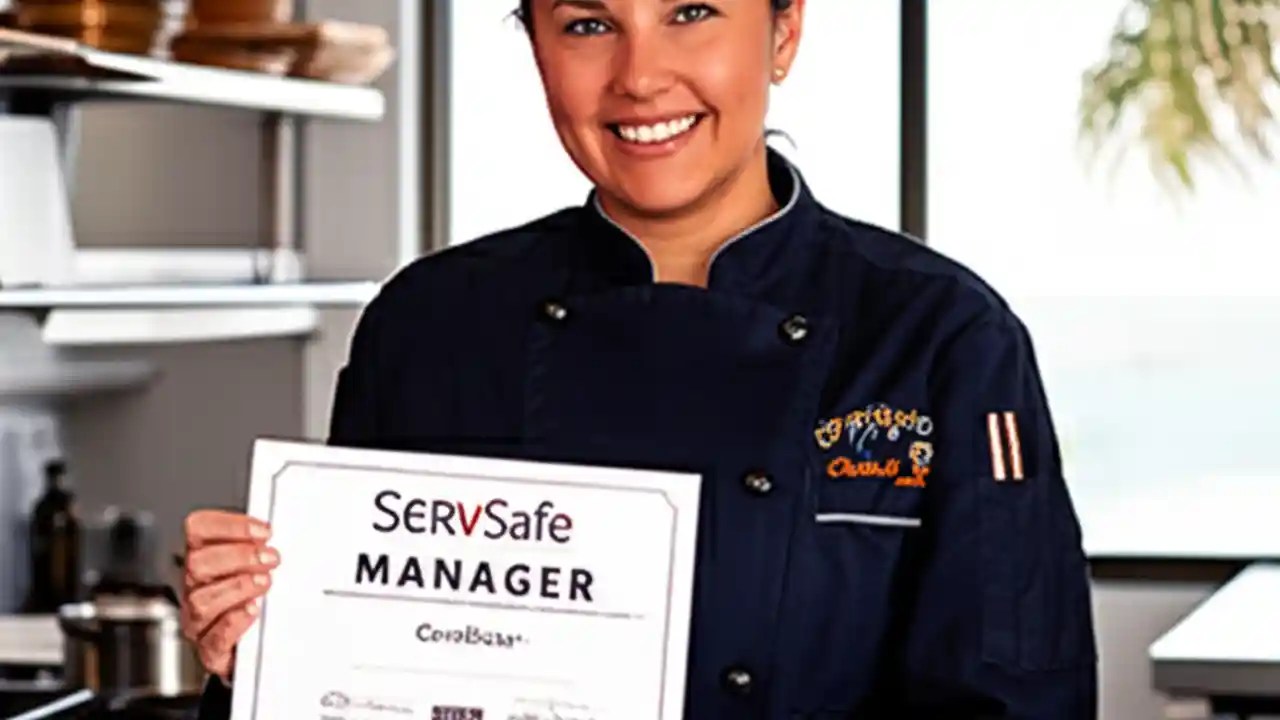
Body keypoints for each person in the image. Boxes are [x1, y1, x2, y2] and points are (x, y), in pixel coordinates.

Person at [182, 0, 1098, 717]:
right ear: (537, 48)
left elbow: (1019, 701)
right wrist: (257, 656)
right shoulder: (428, 326)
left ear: (784, 33)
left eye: (691, 14)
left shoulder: (940, 337)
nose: (640, 76)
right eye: (588, 25)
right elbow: (361, 683)